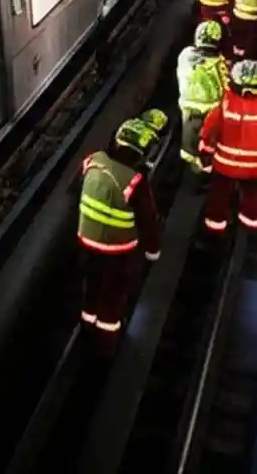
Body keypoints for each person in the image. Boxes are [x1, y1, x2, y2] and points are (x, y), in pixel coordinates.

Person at [77, 120, 164, 351]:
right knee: (113, 294)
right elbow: (148, 220)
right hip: (118, 250)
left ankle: (87, 323)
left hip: (87, 241)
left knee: (92, 284)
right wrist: (153, 251)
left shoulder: (92, 161)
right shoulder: (134, 182)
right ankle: (106, 342)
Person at [199, 60, 257, 237]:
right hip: (253, 168)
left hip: (224, 164)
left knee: (219, 194)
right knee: (251, 194)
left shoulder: (226, 103)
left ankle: (216, 225)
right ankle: (251, 220)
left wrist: (206, 155)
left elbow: (209, 130)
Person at [177, 21, 230, 172]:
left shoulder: (184, 55)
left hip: (188, 107)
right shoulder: (219, 63)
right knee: (209, 143)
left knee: (189, 144)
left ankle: (192, 169)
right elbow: (227, 86)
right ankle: (206, 171)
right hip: (211, 110)